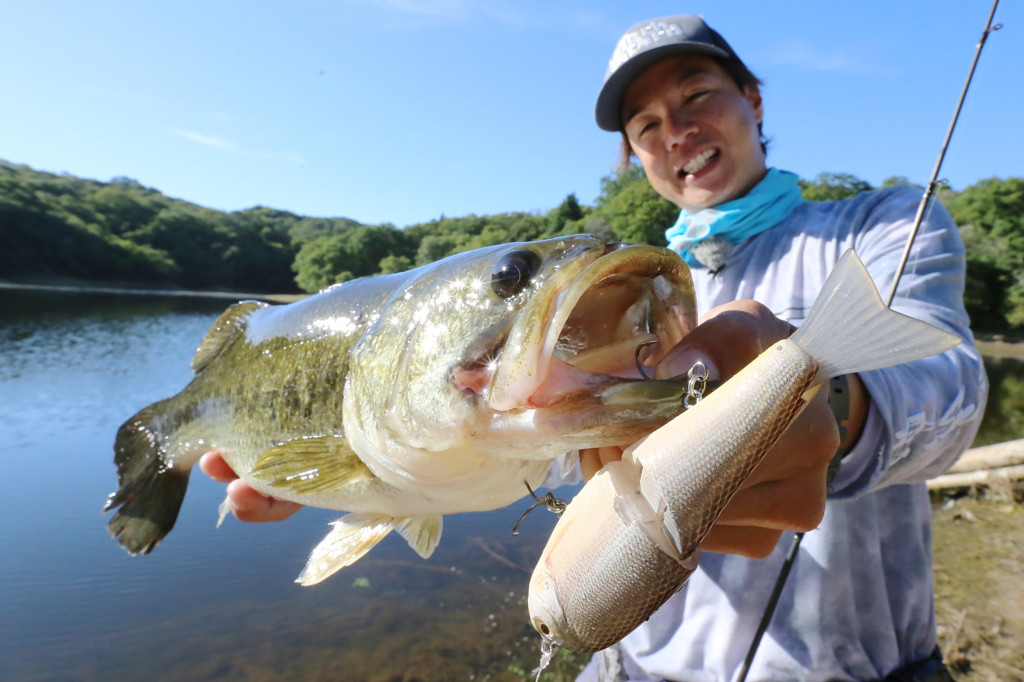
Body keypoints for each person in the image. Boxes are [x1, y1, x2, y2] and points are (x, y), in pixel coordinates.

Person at [203, 14, 988, 681]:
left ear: (751, 100)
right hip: (630, 663)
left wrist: (831, 406)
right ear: (634, 157)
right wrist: (371, 476)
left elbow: (949, 390)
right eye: (646, 125)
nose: (676, 131)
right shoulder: (612, 298)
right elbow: (551, 453)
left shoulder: (882, 226)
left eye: (696, 96)